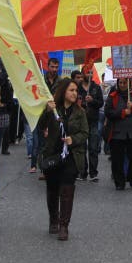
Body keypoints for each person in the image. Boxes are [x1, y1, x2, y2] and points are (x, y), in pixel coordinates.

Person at [40, 79, 88, 240]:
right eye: (71, 90)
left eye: (76, 90)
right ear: (63, 92)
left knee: (67, 190)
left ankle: (64, 226)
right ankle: (53, 219)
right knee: (53, 189)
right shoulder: (53, 109)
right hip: (53, 155)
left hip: (72, 157)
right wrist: (47, 111)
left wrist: (73, 139)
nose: (75, 93)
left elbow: (85, 133)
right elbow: (40, 126)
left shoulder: (80, 112)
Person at [105, 77, 132, 190]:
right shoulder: (112, 96)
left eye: (124, 83)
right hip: (117, 133)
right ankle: (119, 182)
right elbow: (108, 112)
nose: (122, 85)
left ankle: (131, 177)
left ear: (130, 84)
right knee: (117, 159)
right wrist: (122, 112)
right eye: (120, 83)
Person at [74, 69, 103, 182]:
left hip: (93, 121)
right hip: (81, 122)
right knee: (81, 148)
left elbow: (101, 103)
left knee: (93, 148)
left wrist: (92, 100)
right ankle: (82, 172)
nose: (90, 74)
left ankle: (93, 173)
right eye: (87, 72)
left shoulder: (96, 87)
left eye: (91, 72)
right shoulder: (77, 87)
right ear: (83, 74)